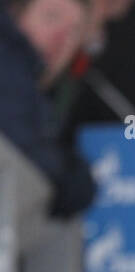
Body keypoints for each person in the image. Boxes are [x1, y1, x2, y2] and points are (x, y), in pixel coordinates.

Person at [0, 0, 96, 217]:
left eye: (73, 32)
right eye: (51, 17)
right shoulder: (8, 71)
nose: (61, 38)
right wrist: (69, 175)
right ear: (15, 14)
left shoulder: (48, 95)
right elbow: (24, 149)